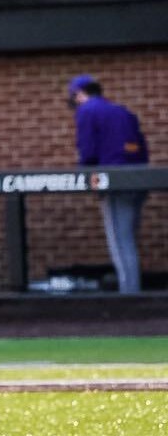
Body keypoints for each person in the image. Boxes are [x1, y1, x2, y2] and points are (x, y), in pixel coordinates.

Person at [68, 75, 151, 294]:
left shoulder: (87, 110)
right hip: (139, 179)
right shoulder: (123, 111)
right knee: (129, 238)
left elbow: (88, 152)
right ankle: (132, 291)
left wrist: (86, 176)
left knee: (121, 242)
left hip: (115, 182)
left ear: (79, 93)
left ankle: (130, 296)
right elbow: (142, 149)